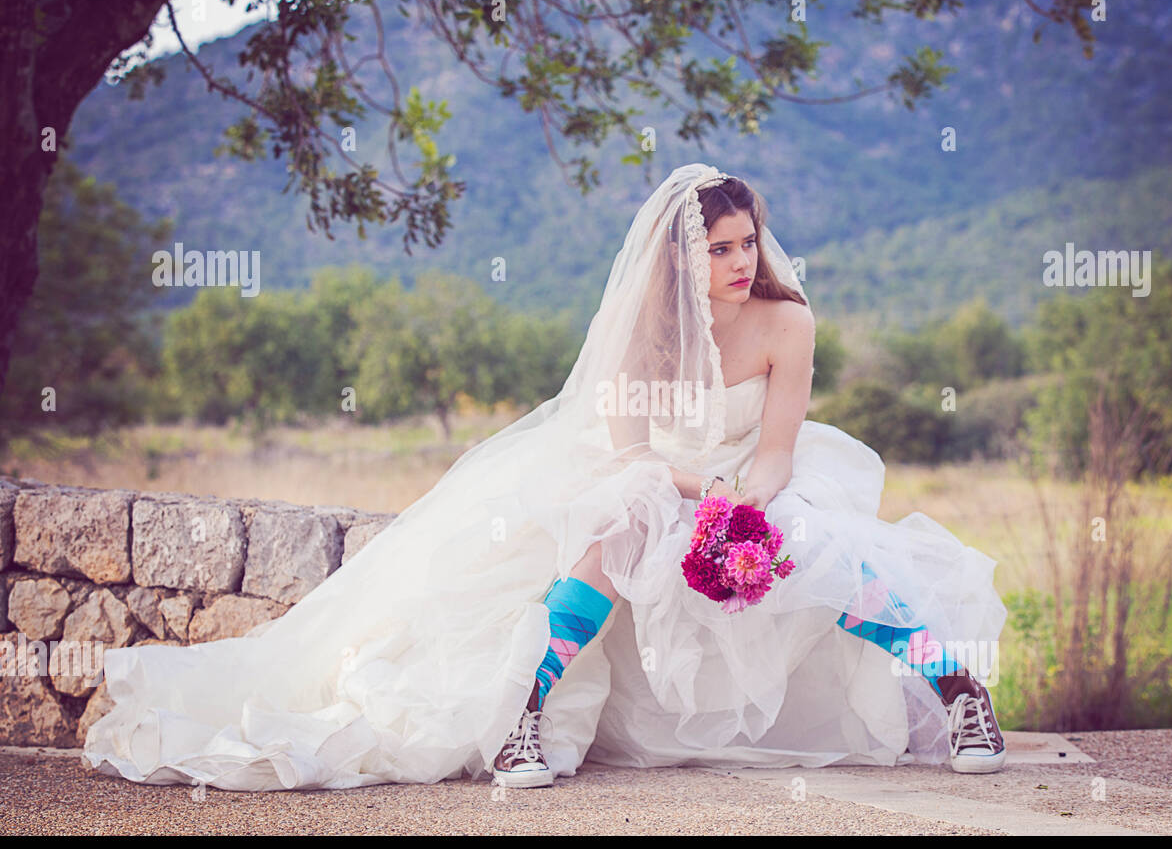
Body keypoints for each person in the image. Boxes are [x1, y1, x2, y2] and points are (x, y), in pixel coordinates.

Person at [81, 163, 1007, 793]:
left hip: (751, 482)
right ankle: (523, 717)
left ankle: (963, 696)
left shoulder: (786, 324)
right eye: (716, 247)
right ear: (677, 255)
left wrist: (748, 513)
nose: (736, 263)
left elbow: (777, 449)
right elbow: (633, 452)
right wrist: (696, 499)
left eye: (746, 242)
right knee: (620, 525)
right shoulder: (641, 334)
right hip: (661, 476)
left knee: (821, 545)